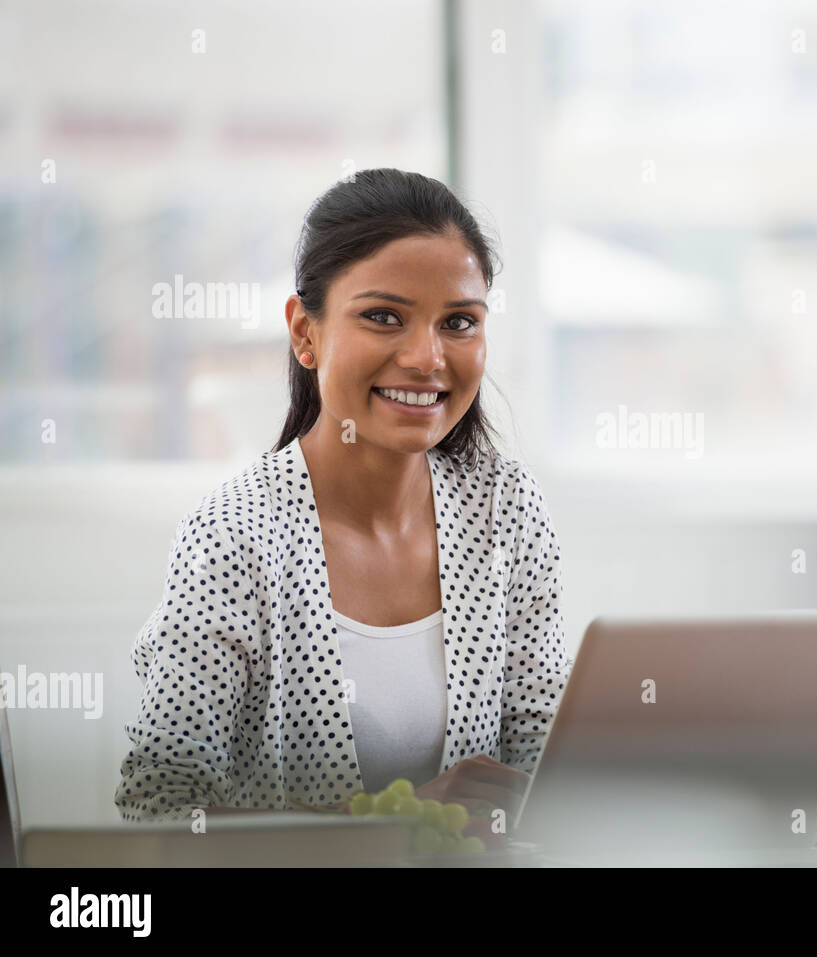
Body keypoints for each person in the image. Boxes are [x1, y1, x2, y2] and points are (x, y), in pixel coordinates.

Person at [116, 169, 572, 824]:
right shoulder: (233, 532)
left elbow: (544, 755)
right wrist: (395, 825)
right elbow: (158, 806)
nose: (426, 357)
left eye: (458, 322)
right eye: (383, 317)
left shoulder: (507, 508)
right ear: (305, 332)